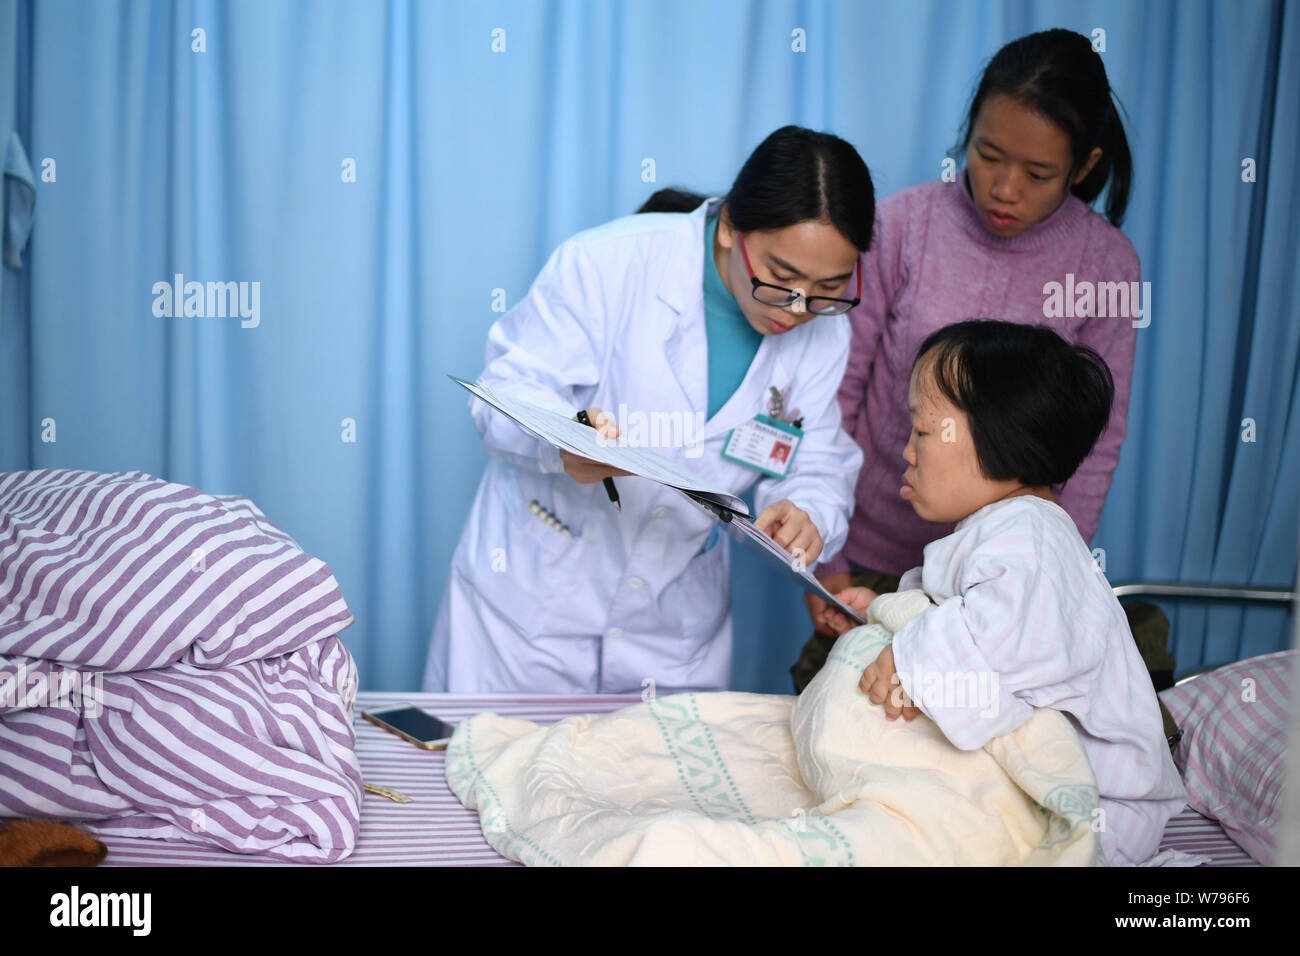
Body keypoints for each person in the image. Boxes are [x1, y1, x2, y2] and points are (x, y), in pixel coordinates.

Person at [424, 126, 872, 694]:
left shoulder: (825, 336)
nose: (800, 308)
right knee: (482, 774)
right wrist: (566, 442)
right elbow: (506, 392)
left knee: (650, 781)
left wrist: (808, 511)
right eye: (781, 279)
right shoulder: (609, 262)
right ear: (732, 227)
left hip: (671, 632)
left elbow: (819, 460)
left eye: (828, 288)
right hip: (528, 619)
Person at [793, 28, 1148, 692]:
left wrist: (1040, 580)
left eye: (1038, 173)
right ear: (968, 134)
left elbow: (1092, 448)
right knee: (844, 729)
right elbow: (834, 397)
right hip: (867, 560)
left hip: (998, 586)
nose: (1004, 188)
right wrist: (827, 551)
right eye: (988, 155)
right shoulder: (902, 227)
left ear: (1083, 164)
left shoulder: (1103, 267)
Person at [824, 319, 1187, 866]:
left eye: (923, 431)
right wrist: (880, 615)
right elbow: (947, 610)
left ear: (1001, 440)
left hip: (1095, 808)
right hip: (1028, 780)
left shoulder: (1035, 538)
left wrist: (907, 654)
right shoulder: (999, 530)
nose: (907, 451)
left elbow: (1000, 644)